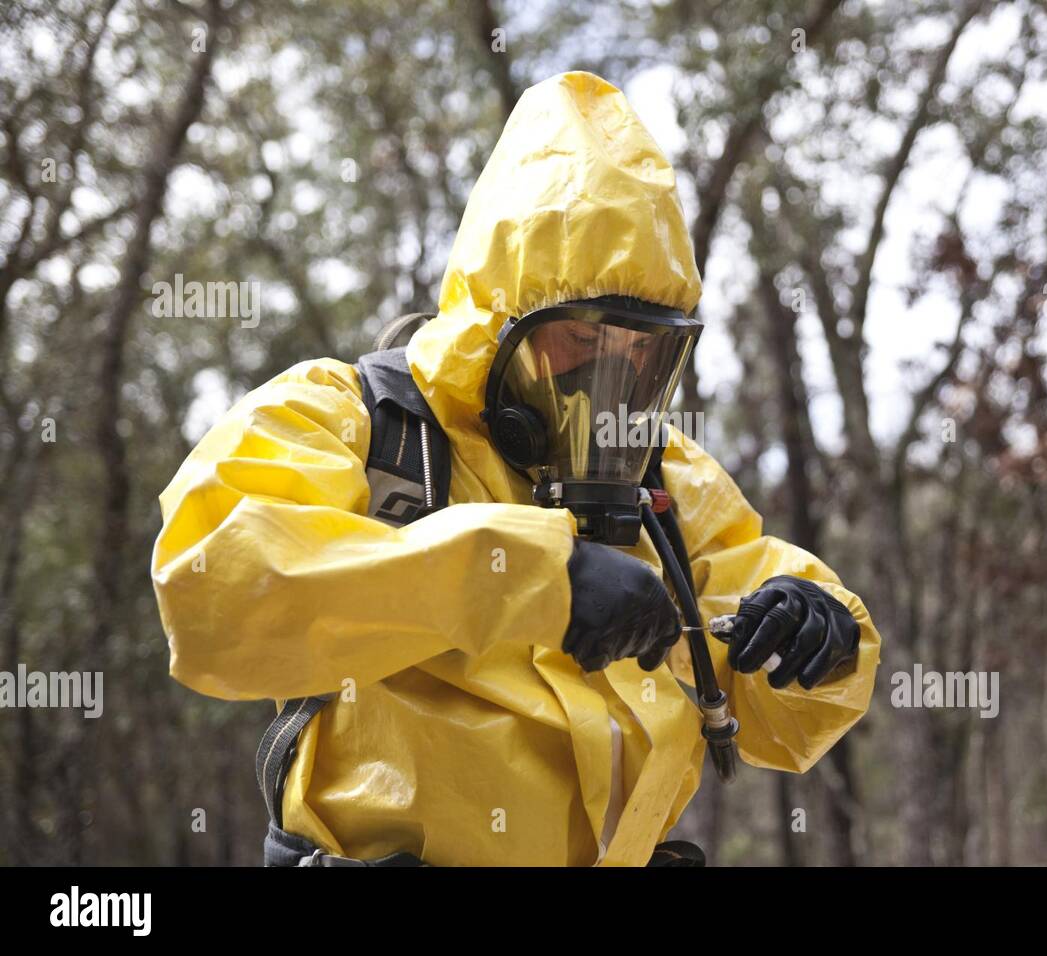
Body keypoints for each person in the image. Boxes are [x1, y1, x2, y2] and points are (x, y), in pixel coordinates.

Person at [151, 70, 883, 867]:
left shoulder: (664, 478)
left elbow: (784, 721)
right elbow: (213, 598)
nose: (612, 378)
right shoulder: (354, 419)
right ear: (503, 323)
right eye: (584, 342)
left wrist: (820, 635)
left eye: (642, 351)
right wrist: (528, 577)